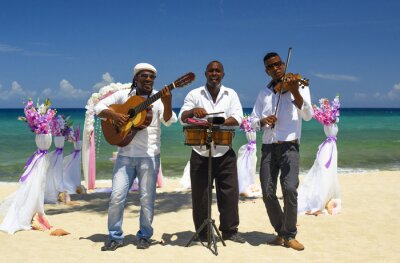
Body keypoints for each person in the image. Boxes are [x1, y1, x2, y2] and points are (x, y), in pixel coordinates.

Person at [95, 63, 177, 251]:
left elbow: (168, 121)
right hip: (125, 155)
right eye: (144, 76)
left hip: (149, 156)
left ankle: (145, 235)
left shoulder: (158, 99)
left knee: (147, 198)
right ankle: (115, 236)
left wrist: (167, 102)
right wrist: (114, 115)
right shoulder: (124, 95)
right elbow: (99, 108)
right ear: (136, 78)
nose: (148, 79)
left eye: (152, 77)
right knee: (116, 196)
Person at [251, 52, 313, 251]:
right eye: (271, 66)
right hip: (269, 146)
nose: (276, 68)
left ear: (284, 64)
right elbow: (252, 121)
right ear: (266, 71)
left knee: (289, 189)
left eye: (278, 64)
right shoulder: (264, 93)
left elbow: (309, 115)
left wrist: (295, 92)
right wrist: (263, 121)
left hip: (290, 145)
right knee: (268, 192)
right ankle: (281, 232)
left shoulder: (301, 86)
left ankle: (290, 234)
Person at [179, 60, 245, 243]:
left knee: (229, 194)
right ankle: (204, 233)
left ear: (223, 74)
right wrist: (193, 111)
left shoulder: (230, 94)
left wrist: (219, 123)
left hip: (225, 150)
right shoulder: (194, 94)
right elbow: (182, 118)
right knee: (200, 195)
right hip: (200, 152)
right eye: (211, 71)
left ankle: (230, 231)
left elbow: (238, 117)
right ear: (205, 73)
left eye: (218, 71)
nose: (214, 74)